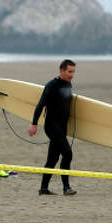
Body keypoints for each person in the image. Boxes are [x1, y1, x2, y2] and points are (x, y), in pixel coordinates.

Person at [27, 59, 77, 196]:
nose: (72, 74)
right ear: (61, 70)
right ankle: (66, 188)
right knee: (67, 153)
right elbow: (40, 105)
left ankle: (43, 189)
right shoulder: (52, 85)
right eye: (69, 71)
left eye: (73, 72)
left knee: (53, 158)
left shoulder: (68, 84)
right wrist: (34, 124)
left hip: (62, 126)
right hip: (52, 125)